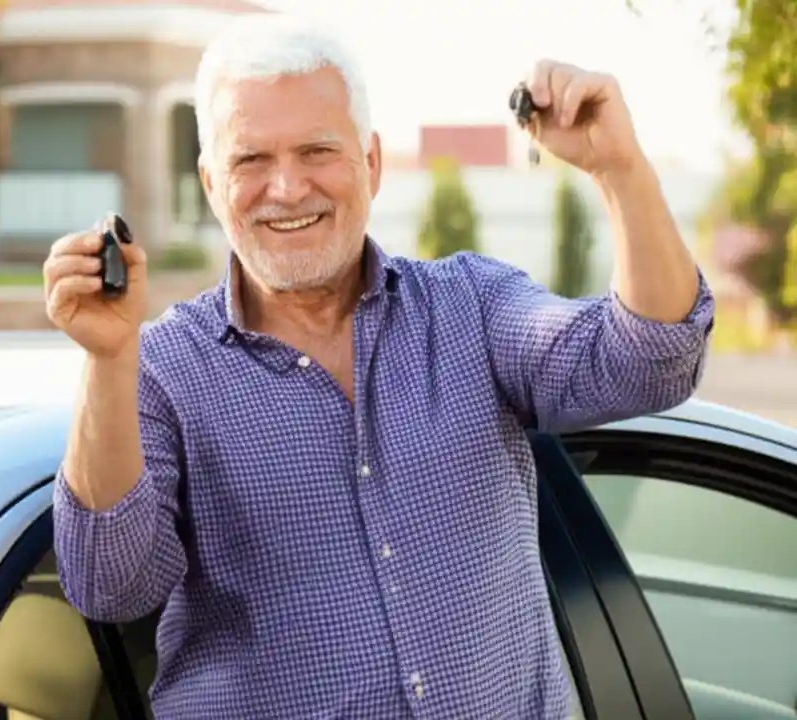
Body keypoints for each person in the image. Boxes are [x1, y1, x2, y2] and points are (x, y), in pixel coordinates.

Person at [41, 14, 714, 720]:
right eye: (251, 161)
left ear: (372, 164)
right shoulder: (164, 371)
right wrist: (107, 357)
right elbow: (107, 586)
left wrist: (620, 169)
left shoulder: (473, 308)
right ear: (211, 183)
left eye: (316, 151)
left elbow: (650, 362)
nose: (288, 187)